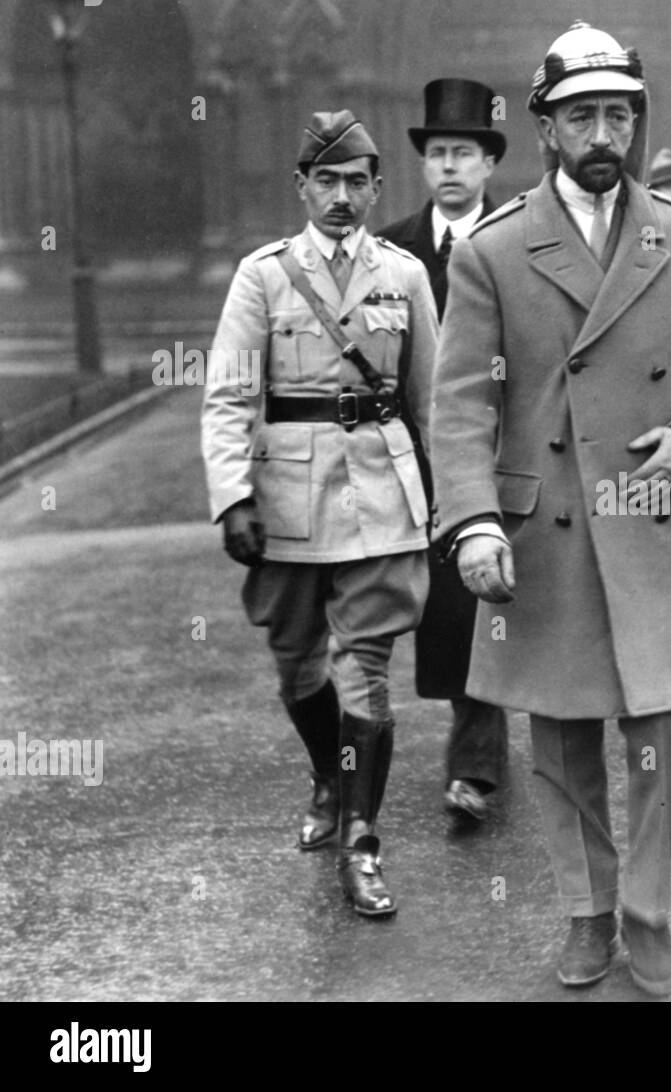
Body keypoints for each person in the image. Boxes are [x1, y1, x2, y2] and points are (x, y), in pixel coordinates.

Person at [429, 20, 671, 993]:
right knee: (561, 738)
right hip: (549, 523)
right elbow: (458, 405)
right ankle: (587, 910)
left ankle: (648, 913)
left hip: (652, 510)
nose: (603, 132)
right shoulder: (492, 251)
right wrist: (474, 522)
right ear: (545, 129)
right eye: (582, 116)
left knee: (663, 733)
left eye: (618, 113)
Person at [201, 110, 440, 917]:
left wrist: (455, 504)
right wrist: (232, 496)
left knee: (364, 666)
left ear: (378, 189)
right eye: (326, 182)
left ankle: (361, 842)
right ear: (301, 187)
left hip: (380, 490)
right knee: (298, 662)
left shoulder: (404, 276)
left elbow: (430, 400)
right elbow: (229, 393)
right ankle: (329, 779)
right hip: (286, 501)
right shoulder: (262, 276)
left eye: (356, 183)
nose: (342, 197)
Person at [376, 78, 509, 824]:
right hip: (414, 454)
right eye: (437, 154)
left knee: (484, 595)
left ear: (489, 163)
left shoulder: (514, 240)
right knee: (441, 605)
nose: (450, 167)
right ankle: (473, 747)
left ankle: (476, 764)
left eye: (464, 152)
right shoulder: (391, 250)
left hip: (500, 445)